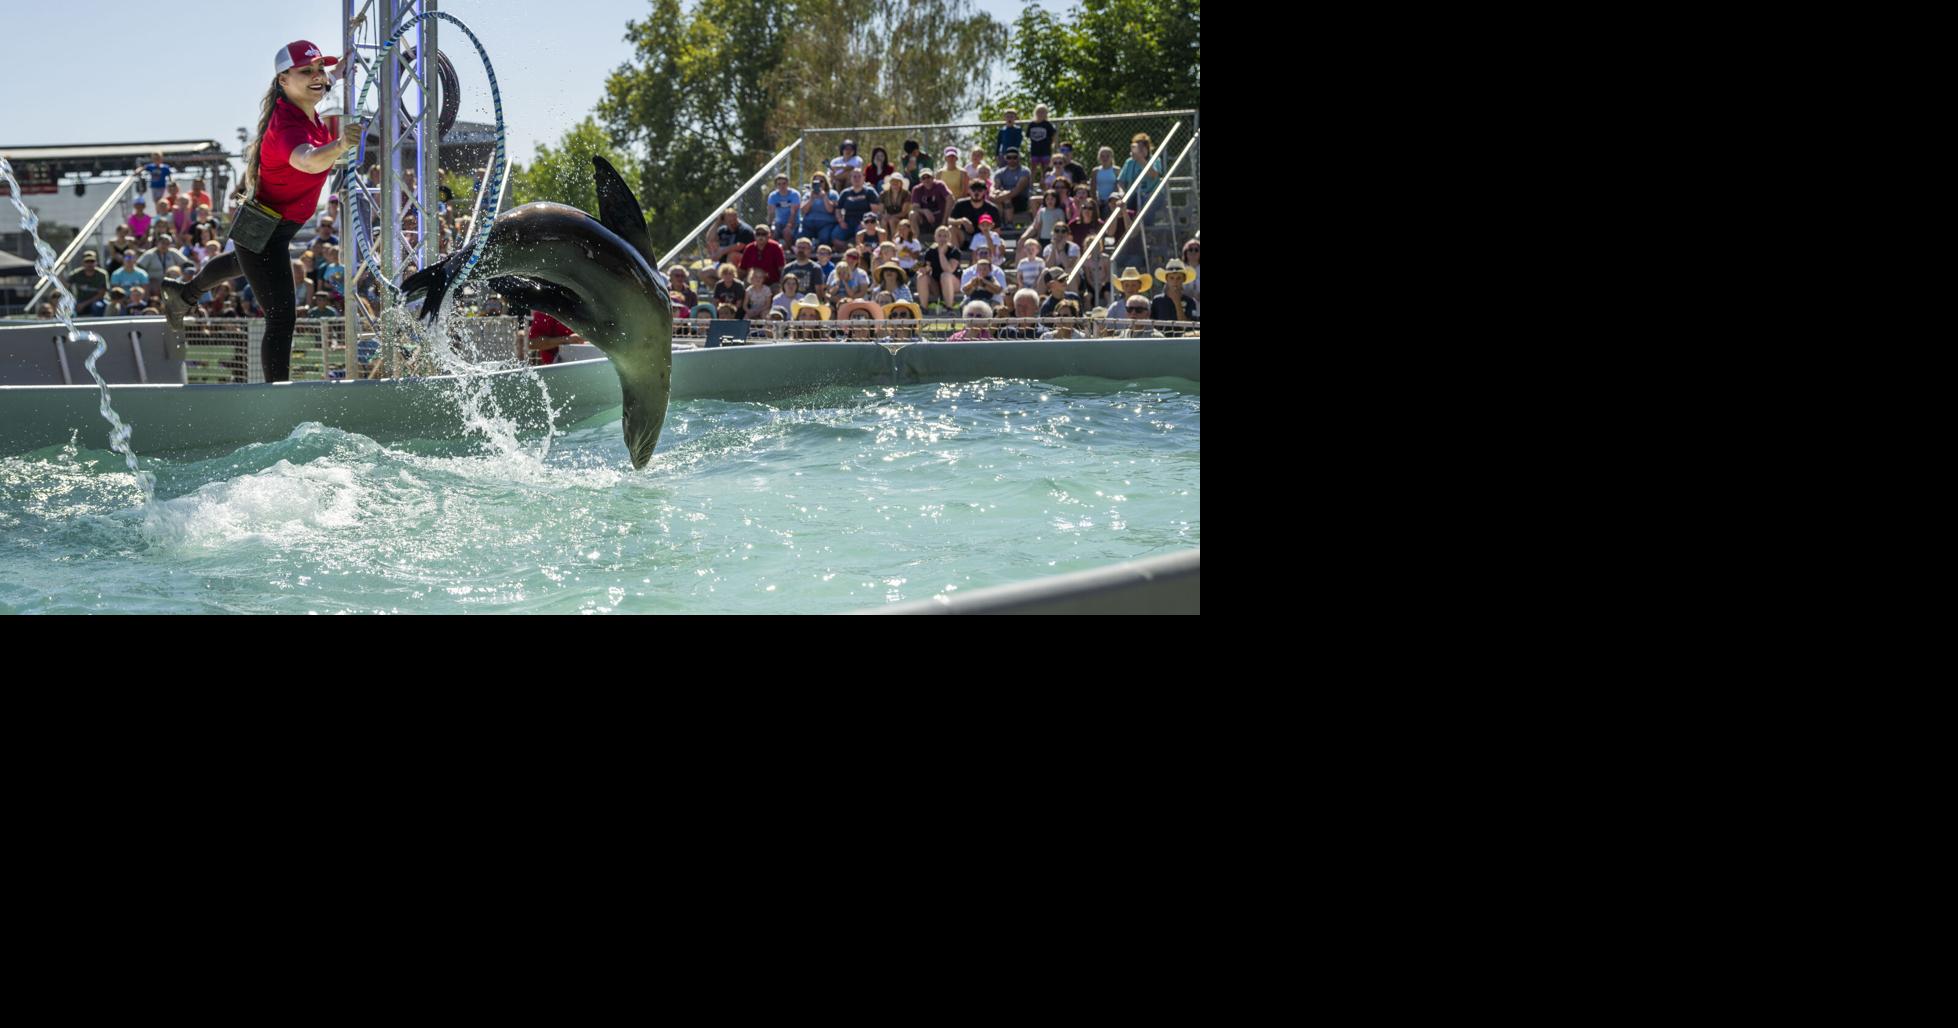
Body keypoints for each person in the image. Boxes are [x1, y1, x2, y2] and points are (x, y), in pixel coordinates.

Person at [162, 40, 359, 383]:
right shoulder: (286, 127)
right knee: (281, 316)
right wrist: (340, 145)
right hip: (267, 229)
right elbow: (308, 162)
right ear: (283, 80)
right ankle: (277, 398)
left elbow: (325, 83)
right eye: (306, 71)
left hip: (271, 225)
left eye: (319, 70)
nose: (318, 77)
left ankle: (183, 294)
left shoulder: (304, 105)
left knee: (239, 263)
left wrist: (338, 71)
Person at [67, 251, 109, 317]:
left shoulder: (102, 274)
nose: (89, 264)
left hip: (98, 300)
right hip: (80, 300)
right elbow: (66, 285)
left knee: (98, 306)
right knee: (70, 309)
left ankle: (98, 326)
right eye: (87, 261)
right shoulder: (76, 274)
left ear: (96, 262)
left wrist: (83, 304)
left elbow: (101, 294)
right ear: (83, 263)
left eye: (92, 261)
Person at [766, 174, 800, 242]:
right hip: (778, 223)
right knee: (771, 233)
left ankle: (788, 250)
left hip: (793, 222)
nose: (782, 186)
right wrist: (769, 226)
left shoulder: (794, 194)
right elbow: (771, 213)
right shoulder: (773, 196)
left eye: (784, 183)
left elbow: (793, 213)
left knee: (787, 232)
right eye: (779, 184)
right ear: (776, 185)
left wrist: (788, 226)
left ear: (787, 184)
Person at [1024, 105, 1055, 176]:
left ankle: (1043, 183)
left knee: (1045, 168)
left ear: (1046, 113)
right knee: (1033, 167)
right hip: (1034, 150)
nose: (1040, 114)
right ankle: (1031, 184)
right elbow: (1028, 136)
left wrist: (1052, 146)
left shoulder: (1048, 125)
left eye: (1043, 112)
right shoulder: (1032, 124)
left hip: (1045, 150)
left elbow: (1053, 136)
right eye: (1039, 112)